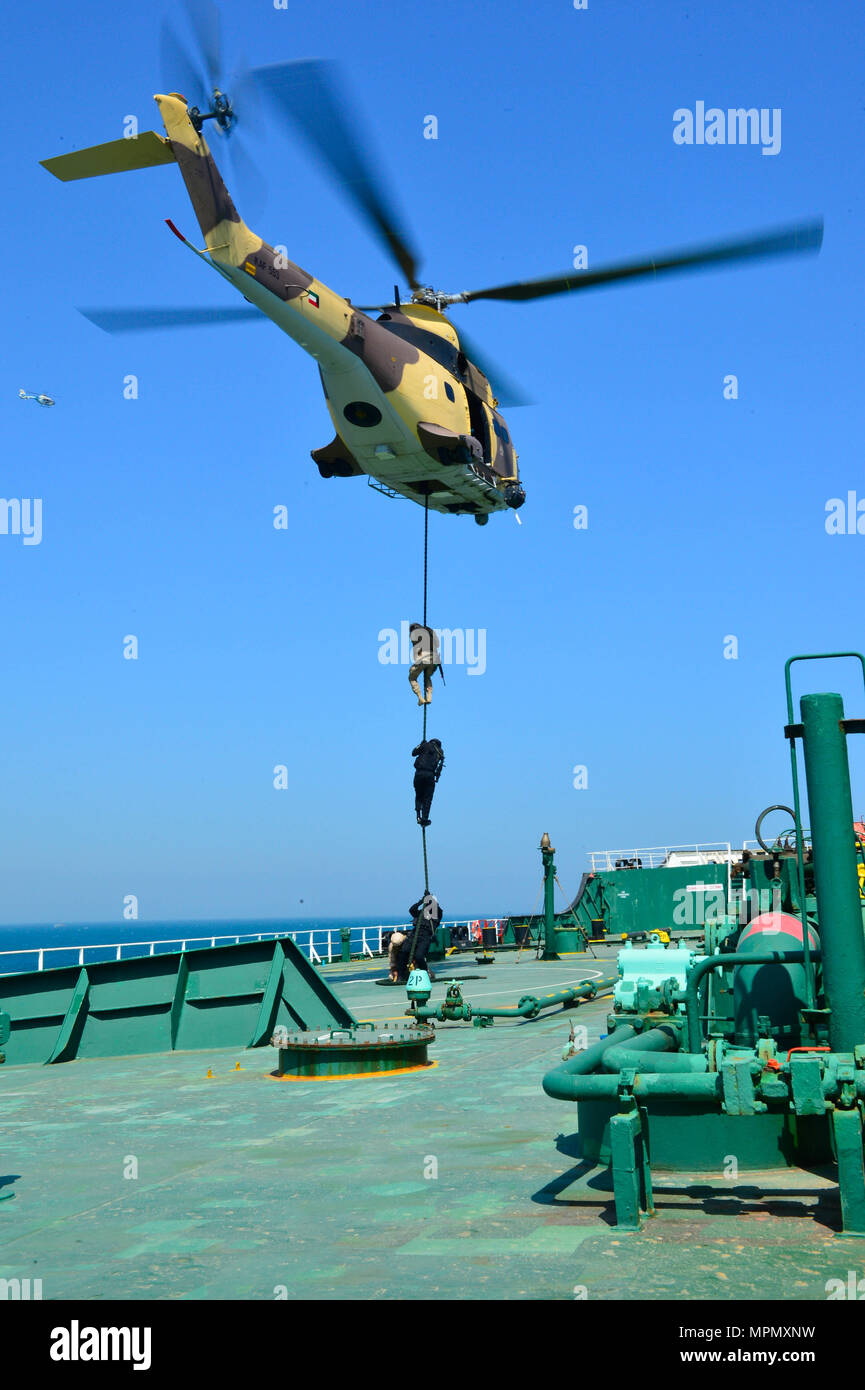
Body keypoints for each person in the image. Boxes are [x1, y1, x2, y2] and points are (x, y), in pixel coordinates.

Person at [396, 893, 443, 981]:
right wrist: (421, 901)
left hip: (425, 936)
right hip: (414, 935)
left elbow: (438, 909)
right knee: (403, 953)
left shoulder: (437, 914)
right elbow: (411, 909)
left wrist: (430, 899)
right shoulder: (420, 913)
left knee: (419, 956)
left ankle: (425, 974)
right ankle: (401, 975)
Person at [412, 737, 444, 827]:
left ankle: (418, 816)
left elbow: (413, 753)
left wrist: (420, 745)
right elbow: (439, 767)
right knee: (427, 798)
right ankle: (424, 818)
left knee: (419, 795)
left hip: (419, 773)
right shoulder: (440, 751)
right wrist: (437, 777)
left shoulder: (425, 745)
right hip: (430, 775)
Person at [408, 622, 441, 706]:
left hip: (424, 659)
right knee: (427, 676)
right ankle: (429, 696)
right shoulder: (429, 632)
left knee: (412, 677)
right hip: (434, 660)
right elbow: (437, 644)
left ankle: (420, 698)